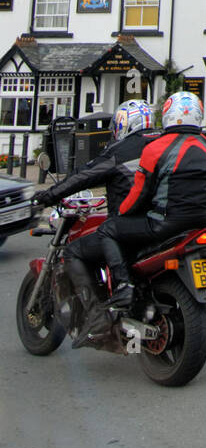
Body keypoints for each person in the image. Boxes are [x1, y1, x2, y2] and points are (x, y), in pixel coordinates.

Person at [85, 89, 206, 312]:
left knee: (109, 229)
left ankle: (124, 286)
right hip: (201, 222)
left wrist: (121, 213)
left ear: (167, 114)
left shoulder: (155, 147)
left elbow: (139, 194)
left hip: (164, 223)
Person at [34, 98, 154, 345]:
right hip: (160, 224)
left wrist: (48, 196)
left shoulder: (119, 152)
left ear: (123, 124)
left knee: (73, 251)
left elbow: (84, 177)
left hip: (127, 226)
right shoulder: (161, 145)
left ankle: (97, 315)